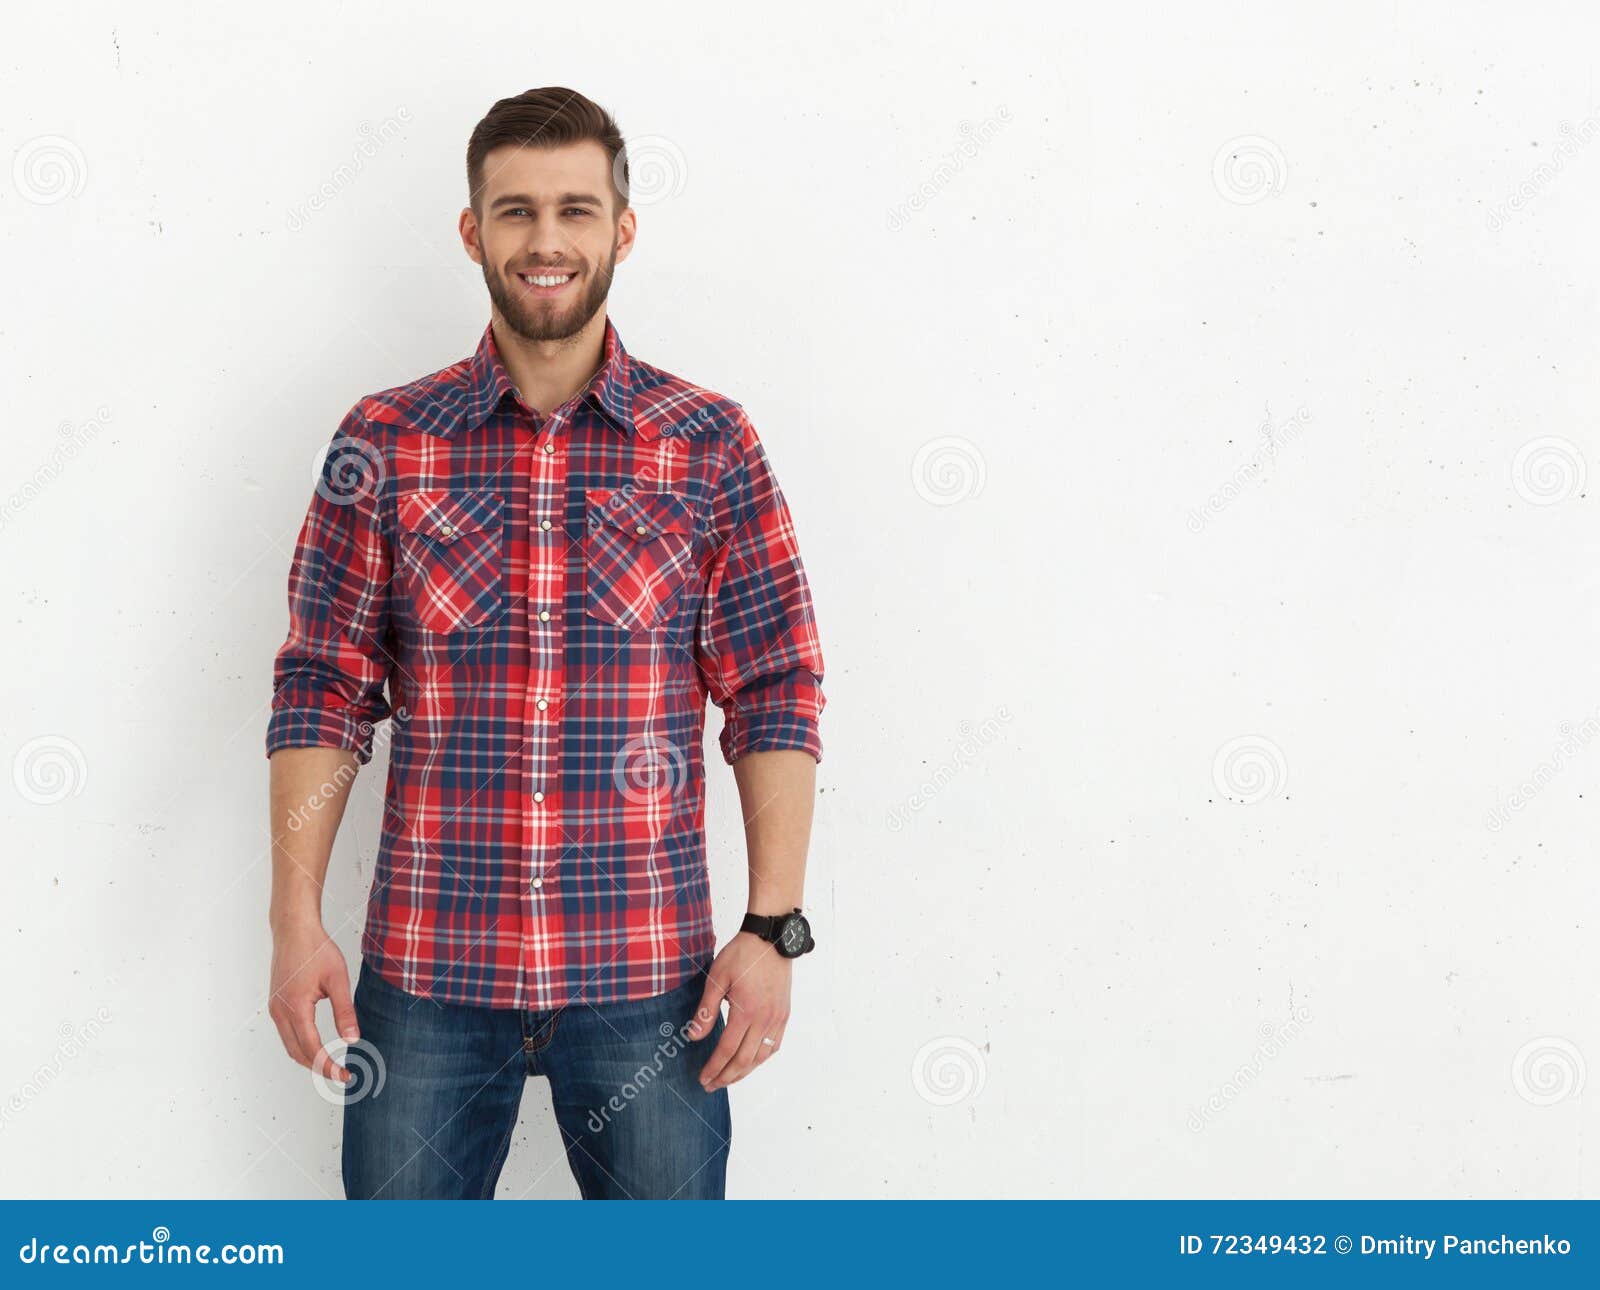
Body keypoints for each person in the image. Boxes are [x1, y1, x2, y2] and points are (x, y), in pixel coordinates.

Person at [263, 86, 825, 1200]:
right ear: (473, 232)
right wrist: (294, 923)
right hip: (426, 978)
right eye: (515, 211)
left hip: (650, 985)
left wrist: (771, 929)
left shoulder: (709, 444)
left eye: (576, 208)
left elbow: (772, 689)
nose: (546, 240)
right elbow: (323, 691)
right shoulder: (384, 441)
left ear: (621, 227)